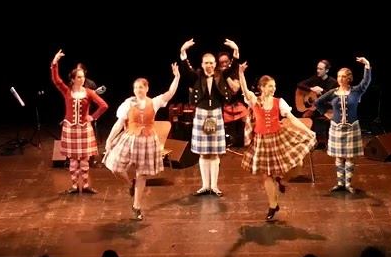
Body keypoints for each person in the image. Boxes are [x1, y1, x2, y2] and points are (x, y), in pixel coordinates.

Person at [237, 63, 316, 221]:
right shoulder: (254, 100)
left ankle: (280, 178)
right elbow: (244, 89)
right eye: (270, 86)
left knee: (296, 165)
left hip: (278, 137)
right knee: (267, 175)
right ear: (262, 87)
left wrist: (308, 131)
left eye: (274, 86)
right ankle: (273, 205)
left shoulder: (279, 102)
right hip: (261, 140)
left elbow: (292, 119)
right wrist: (240, 73)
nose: (273, 88)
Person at [104, 63, 181, 221]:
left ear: (147, 88)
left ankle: (137, 206)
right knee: (115, 167)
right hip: (130, 138)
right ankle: (130, 184)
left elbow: (170, 93)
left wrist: (177, 77)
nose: (138, 90)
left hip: (147, 141)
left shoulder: (154, 102)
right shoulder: (128, 103)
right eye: (136, 87)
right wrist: (109, 139)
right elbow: (119, 123)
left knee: (142, 174)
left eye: (141, 87)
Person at [177, 38, 241, 196]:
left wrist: (235, 50)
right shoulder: (197, 76)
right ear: (202, 64)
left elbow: (233, 67)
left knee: (215, 153)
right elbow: (185, 69)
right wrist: (183, 51)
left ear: (215, 64)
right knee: (203, 153)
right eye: (206, 63)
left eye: (212, 62)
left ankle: (214, 186)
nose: (209, 65)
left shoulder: (221, 75)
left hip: (216, 114)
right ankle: (205, 186)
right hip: (201, 114)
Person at [51, 49, 109, 194]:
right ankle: (74, 186)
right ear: (73, 79)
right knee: (72, 160)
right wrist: (55, 63)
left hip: (84, 128)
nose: (82, 79)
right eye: (79, 77)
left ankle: (86, 185)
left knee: (84, 159)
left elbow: (104, 105)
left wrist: (92, 117)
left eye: (83, 77)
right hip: (70, 128)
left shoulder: (88, 92)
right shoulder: (67, 91)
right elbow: (56, 80)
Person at [313, 56, 372, 193]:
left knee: (350, 157)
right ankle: (340, 183)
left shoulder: (356, 91)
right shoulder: (333, 93)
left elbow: (366, 82)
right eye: (339, 76)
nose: (340, 79)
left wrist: (367, 66)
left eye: (343, 76)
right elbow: (318, 102)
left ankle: (348, 184)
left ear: (349, 78)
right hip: (337, 128)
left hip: (352, 128)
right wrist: (326, 113)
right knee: (339, 157)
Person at [297, 59, 336, 145]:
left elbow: (333, 99)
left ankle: (325, 142)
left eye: (321, 69)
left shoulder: (333, 82)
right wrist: (311, 89)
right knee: (305, 116)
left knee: (327, 118)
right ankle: (311, 140)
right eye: (317, 68)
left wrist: (322, 91)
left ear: (327, 70)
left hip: (327, 108)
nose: (318, 70)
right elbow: (300, 84)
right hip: (315, 108)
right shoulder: (315, 78)